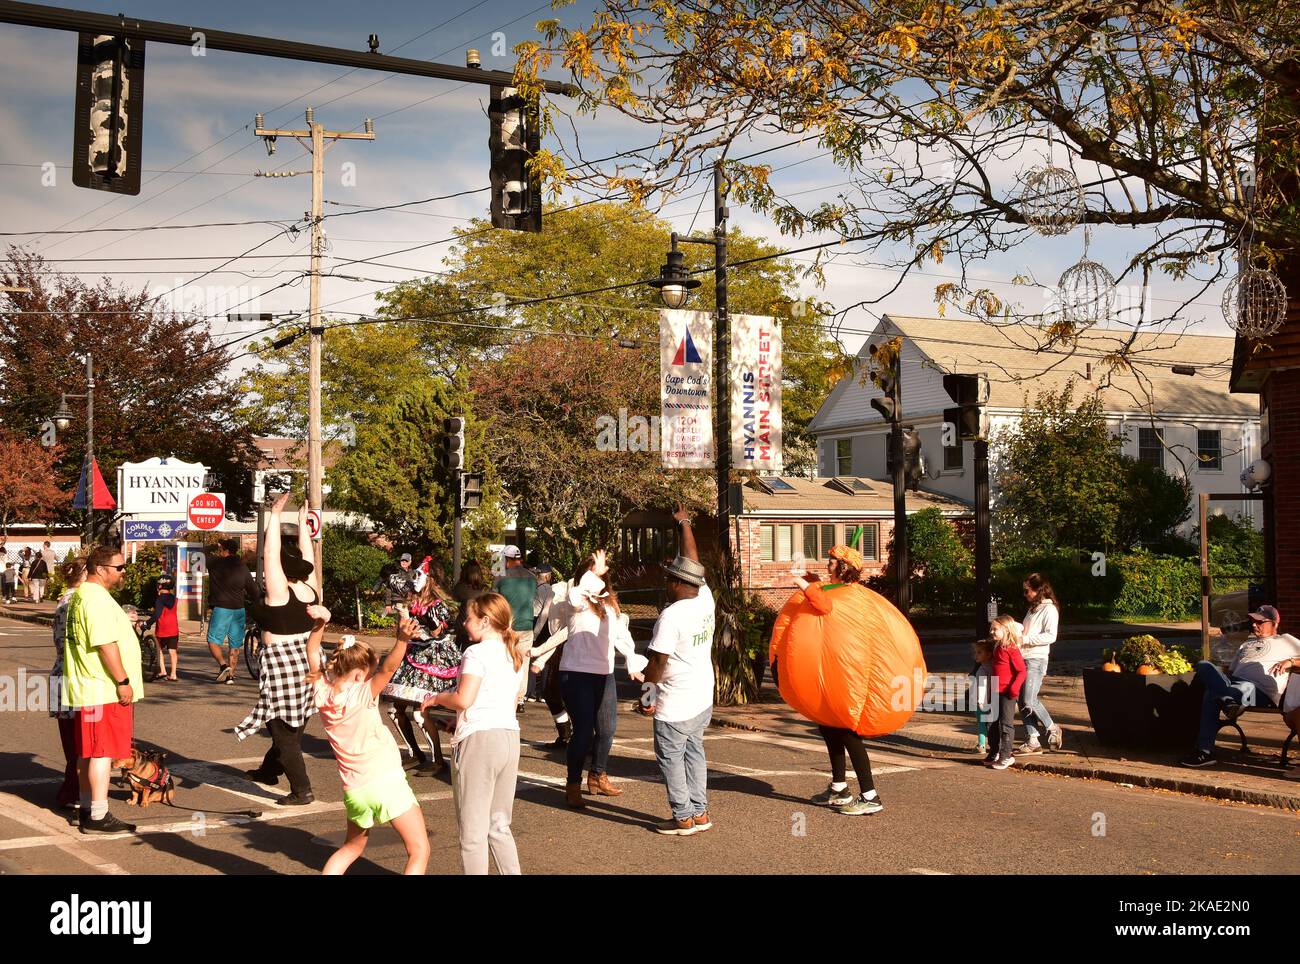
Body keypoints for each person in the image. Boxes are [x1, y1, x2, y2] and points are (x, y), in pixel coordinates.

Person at [784, 544, 906, 816]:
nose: (827, 566)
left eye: (831, 563)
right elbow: (825, 600)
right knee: (829, 727)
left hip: (846, 674)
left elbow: (823, 605)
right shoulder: (844, 592)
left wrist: (802, 583)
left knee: (848, 732)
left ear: (843, 568)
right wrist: (813, 583)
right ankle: (839, 788)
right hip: (835, 670)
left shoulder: (848, 596)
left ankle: (870, 795)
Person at [307, 615, 431, 875]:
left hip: (355, 790)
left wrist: (319, 625)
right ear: (360, 673)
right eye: (370, 672)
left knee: (351, 848)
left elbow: (311, 651)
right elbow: (389, 669)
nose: (373, 675)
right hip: (386, 782)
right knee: (419, 849)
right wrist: (402, 640)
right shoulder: (363, 693)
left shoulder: (323, 693)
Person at [421, 592, 529, 875]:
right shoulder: (513, 653)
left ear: (484, 621)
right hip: (508, 736)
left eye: (469, 618)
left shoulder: (475, 652)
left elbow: (464, 699)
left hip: (479, 741)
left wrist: (437, 699)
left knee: (472, 833)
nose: (465, 624)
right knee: (499, 825)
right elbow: (509, 700)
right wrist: (458, 719)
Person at [237, 494, 326, 805]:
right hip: (310, 658)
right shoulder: (311, 587)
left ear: (282, 573)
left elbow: (271, 554)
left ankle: (302, 790)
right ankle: (268, 769)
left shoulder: (281, 591)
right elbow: (309, 556)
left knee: (281, 729)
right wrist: (302, 523)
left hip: (284, 660)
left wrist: (274, 514)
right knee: (295, 720)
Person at [643, 506, 716, 836]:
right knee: (694, 752)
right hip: (702, 700)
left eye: (668, 578)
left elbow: (657, 664)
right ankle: (700, 812)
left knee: (671, 759)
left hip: (675, 706)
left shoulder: (671, 617)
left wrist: (647, 697)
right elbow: (692, 559)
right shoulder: (706, 599)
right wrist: (684, 523)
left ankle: (683, 817)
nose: (666, 582)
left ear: (675, 583)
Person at [557, 550, 648, 808]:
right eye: (592, 571)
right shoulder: (576, 599)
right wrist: (592, 575)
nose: (598, 575)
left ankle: (597, 775)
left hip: (604, 674)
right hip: (576, 673)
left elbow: (621, 636)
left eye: (600, 571)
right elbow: (576, 597)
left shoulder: (610, 605)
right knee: (584, 731)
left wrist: (632, 662)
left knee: (607, 729)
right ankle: (573, 783)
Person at [63, 545, 142, 834]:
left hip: (92, 688)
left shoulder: (85, 596)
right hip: (103, 689)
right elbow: (104, 644)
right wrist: (122, 681)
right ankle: (97, 814)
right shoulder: (95, 599)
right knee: (101, 753)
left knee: (89, 752)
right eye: (119, 568)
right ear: (100, 569)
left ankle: (88, 807)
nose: (123, 572)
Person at [1182, 605, 1300, 768]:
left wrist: (1291, 662)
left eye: (1260, 622)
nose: (1254, 625)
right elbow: (1229, 672)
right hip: (1235, 685)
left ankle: (1204, 751)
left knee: (1212, 694)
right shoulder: (1246, 645)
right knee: (1203, 665)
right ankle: (1228, 700)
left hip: (1261, 692)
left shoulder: (1286, 640)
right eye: (1252, 621)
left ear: (1274, 623)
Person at [381, 577, 461, 774]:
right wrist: (405, 625)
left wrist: (429, 624)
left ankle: (437, 760)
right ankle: (414, 752)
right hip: (412, 655)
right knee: (393, 708)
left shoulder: (438, 605)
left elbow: (438, 634)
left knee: (419, 712)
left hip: (433, 659)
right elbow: (404, 630)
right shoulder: (410, 601)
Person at [50, 558, 87, 811]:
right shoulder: (78, 601)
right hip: (75, 676)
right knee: (81, 741)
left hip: (62, 673)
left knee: (72, 742)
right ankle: (74, 792)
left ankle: (72, 789)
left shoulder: (64, 599)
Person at [1017, 573, 1063, 755]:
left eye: (1027, 590)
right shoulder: (1032, 609)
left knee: (1029, 699)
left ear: (1038, 590)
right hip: (1024, 657)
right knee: (1022, 700)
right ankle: (1033, 739)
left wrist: (1025, 639)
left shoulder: (1049, 610)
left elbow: (1051, 635)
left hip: (1036, 658)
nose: (1025, 594)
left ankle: (1052, 728)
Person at [529, 566, 573, 746]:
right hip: (556, 643)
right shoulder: (556, 592)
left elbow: (564, 633)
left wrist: (539, 654)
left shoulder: (582, 604)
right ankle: (565, 734)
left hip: (574, 650)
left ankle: (582, 737)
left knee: (570, 693)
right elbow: (551, 626)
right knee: (549, 690)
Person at [207, 538, 257, 684]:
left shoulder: (215, 563)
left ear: (224, 550)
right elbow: (253, 590)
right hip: (239, 609)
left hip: (222, 608)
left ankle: (223, 666)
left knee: (213, 641)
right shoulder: (242, 567)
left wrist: (212, 545)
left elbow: (203, 551)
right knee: (235, 645)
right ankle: (231, 676)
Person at [493, 546, 538, 711]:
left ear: (506, 559)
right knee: (523, 662)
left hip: (506, 626)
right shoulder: (532, 578)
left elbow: (494, 601)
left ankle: (505, 696)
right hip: (526, 625)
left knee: (505, 661)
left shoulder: (500, 578)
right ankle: (520, 699)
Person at [986, 616, 1027, 769]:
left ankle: (1006, 755)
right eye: (991, 628)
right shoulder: (998, 647)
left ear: (1006, 630)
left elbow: (1022, 671)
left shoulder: (1011, 649)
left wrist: (1014, 688)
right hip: (996, 691)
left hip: (1008, 692)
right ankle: (995, 752)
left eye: (995, 629)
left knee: (1006, 725)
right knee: (992, 723)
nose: (991, 631)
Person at [144, 574, 180, 681]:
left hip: (162, 629)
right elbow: (166, 611)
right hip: (173, 629)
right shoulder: (174, 599)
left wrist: (147, 623)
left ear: (160, 586)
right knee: (172, 651)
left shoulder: (160, 599)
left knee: (158, 650)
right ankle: (173, 674)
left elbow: (157, 614)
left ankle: (163, 670)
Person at [451, 560, 488, 649]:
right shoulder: (485, 590)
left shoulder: (459, 588)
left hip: (462, 627)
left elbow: (453, 606)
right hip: (481, 628)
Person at [971, 637, 995, 754]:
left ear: (989, 654)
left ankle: (981, 745)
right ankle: (994, 743)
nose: (976, 655)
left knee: (981, 723)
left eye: (979, 652)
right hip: (994, 700)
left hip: (982, 702)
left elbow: (982, 686)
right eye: (975, 652)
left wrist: (980, 701)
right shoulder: (994, 668)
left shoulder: (982, 670)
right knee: (992, 723)